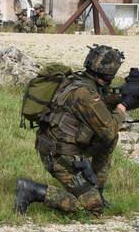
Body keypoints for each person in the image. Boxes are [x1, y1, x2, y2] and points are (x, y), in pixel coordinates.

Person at [15, 44, 128, 215]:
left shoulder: (77, 81)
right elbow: (109, 130)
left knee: (109, 141)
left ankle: (96, 191)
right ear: (108, 74)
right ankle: (34, 191)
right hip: (60, 156)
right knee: (91, 210)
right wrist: (122, 107)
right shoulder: (84, 94)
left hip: (57, 148)